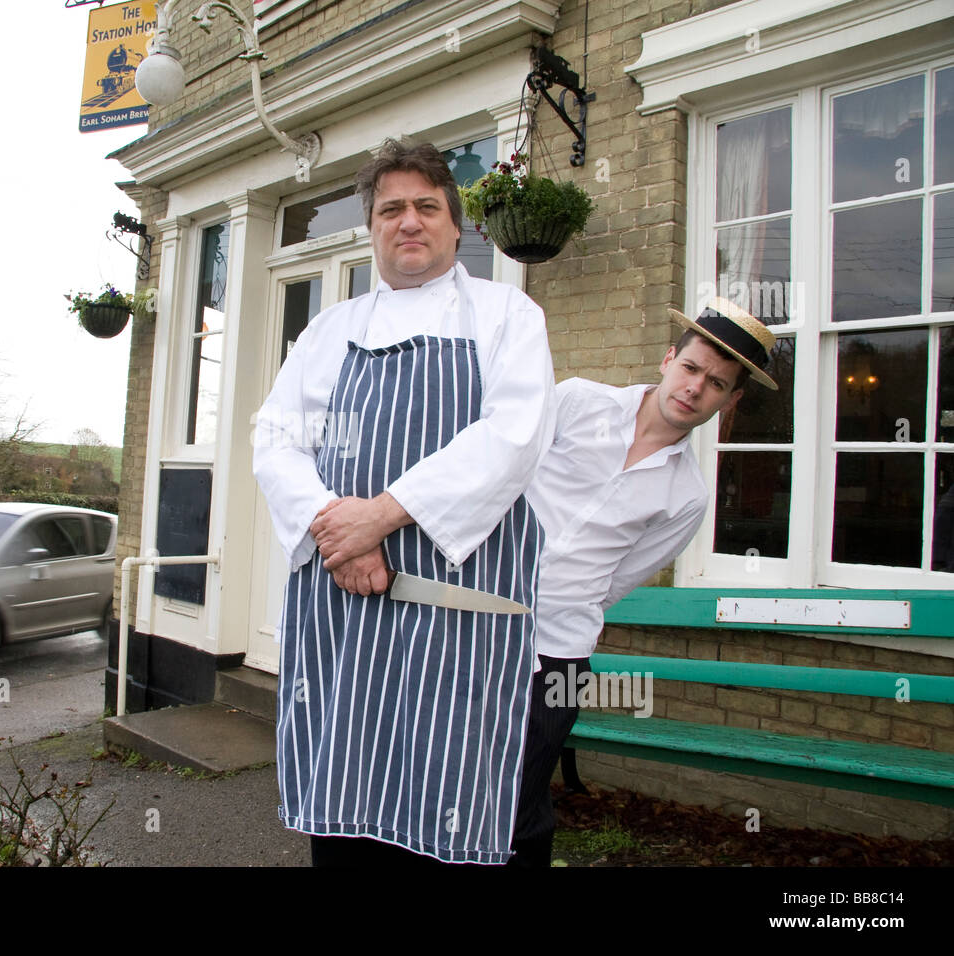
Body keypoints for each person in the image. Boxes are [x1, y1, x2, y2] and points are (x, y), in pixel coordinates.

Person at [252, 138, 556, 865]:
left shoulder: (508, 315)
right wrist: (340, 536)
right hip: (344, 608)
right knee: (347, 792)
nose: (409, 221)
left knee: (450, 790)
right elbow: (275, 440)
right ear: (373, 229)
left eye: (426, 206)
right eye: (391, 209)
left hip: (459, 611)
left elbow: (513, 437)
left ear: (457, 226)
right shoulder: (328, 331)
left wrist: (378, 516)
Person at [507, 297, 779, 867]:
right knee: (447, 785)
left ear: (730, 400)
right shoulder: (578, 400)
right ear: (667, 359)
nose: (695, 388)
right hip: (480, 619)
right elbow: (501, 477)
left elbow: (617, 581)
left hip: (557, 654)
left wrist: (561, 600)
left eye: (716, 383)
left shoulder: (687, 495)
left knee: (522, 803)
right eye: (691, 368)